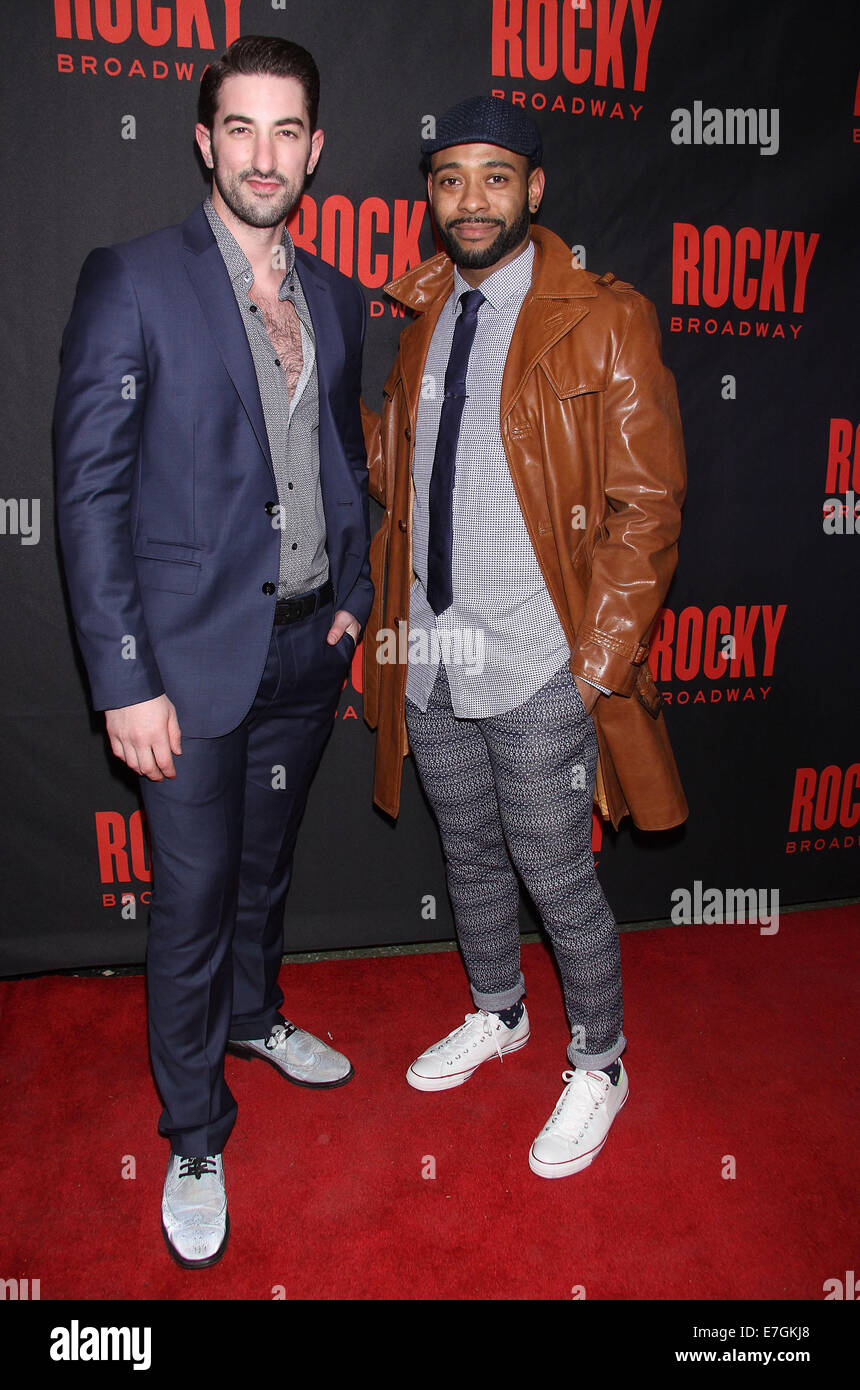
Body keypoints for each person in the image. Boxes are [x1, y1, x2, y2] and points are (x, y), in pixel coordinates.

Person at [54, 35, 372, 1265]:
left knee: (261, 872)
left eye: (286, 132)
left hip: (303, 654)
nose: (263, 155)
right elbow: (87, 494)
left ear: (315, 152)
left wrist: (349, 594)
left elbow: (342, 456)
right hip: (182, 668)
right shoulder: (131, 280)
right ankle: (194, 1129)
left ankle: (256, 1017)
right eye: (239, 128)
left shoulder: (335, 295)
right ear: (204, 139)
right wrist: (122, 677)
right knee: (186, 903)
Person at [362, 95, 687, 1179]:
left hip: (539, 652)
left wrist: (594, 658)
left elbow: (646, 504)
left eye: (494, 177)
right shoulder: (421, 313)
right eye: (448, 178)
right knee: (466, 853)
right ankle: (497, 1012)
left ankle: (598, 1058)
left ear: (533, 189)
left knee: (554, 871)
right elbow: (411, 476)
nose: (470, 199)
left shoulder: (601, 316)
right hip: (432, 650)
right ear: (429, 196)